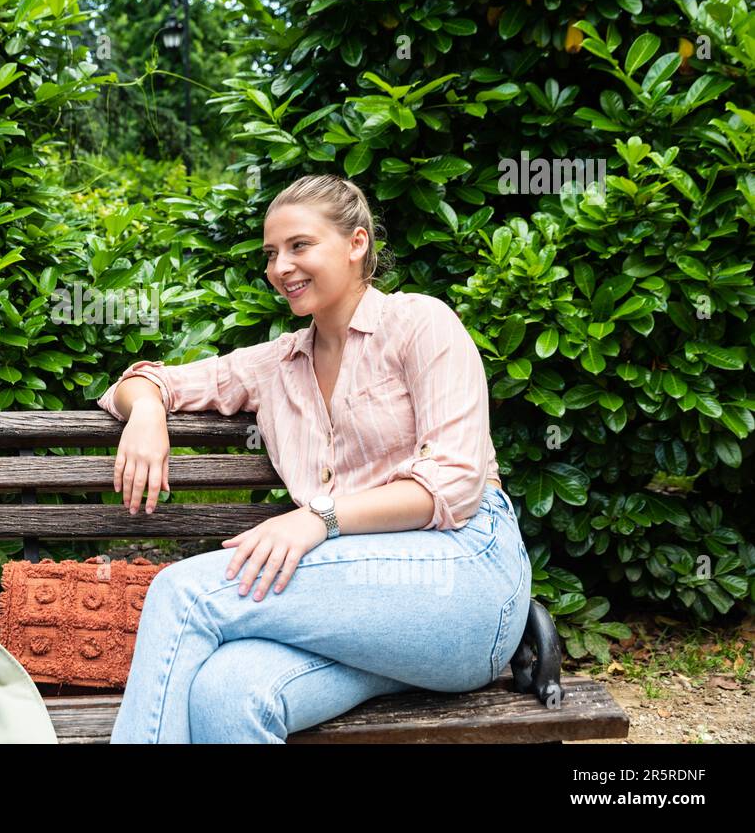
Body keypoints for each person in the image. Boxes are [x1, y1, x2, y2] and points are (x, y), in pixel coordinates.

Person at [98, 174, 533, 743]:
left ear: (356, 244)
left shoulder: (420, 325)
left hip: (464, 579)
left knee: (184, 593)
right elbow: (141, 383)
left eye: (299, 246)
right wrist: (149, 413)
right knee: (228, 694)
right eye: (271, 253)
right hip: (355, 610)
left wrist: (318, 517)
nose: (281, 266)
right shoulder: (275, 365)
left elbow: (451, 485)